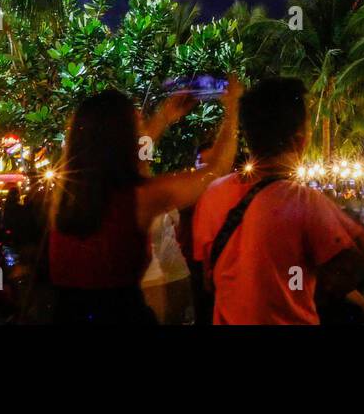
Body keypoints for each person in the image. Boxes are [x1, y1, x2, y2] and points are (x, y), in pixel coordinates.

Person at [192, 77, 364, 324]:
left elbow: (207, 280)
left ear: (248, 136)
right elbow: (358, 270)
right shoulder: (305, 201)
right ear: (300, 138)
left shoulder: (213, 195)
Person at [49, 83, 241, 323]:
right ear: (124, 136)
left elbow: (120, 157)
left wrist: (164, 118)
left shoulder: (66, 195)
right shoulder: (140, 197)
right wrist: (233, 107)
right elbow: (216, 170)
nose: (141, 126)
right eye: (136, 124)